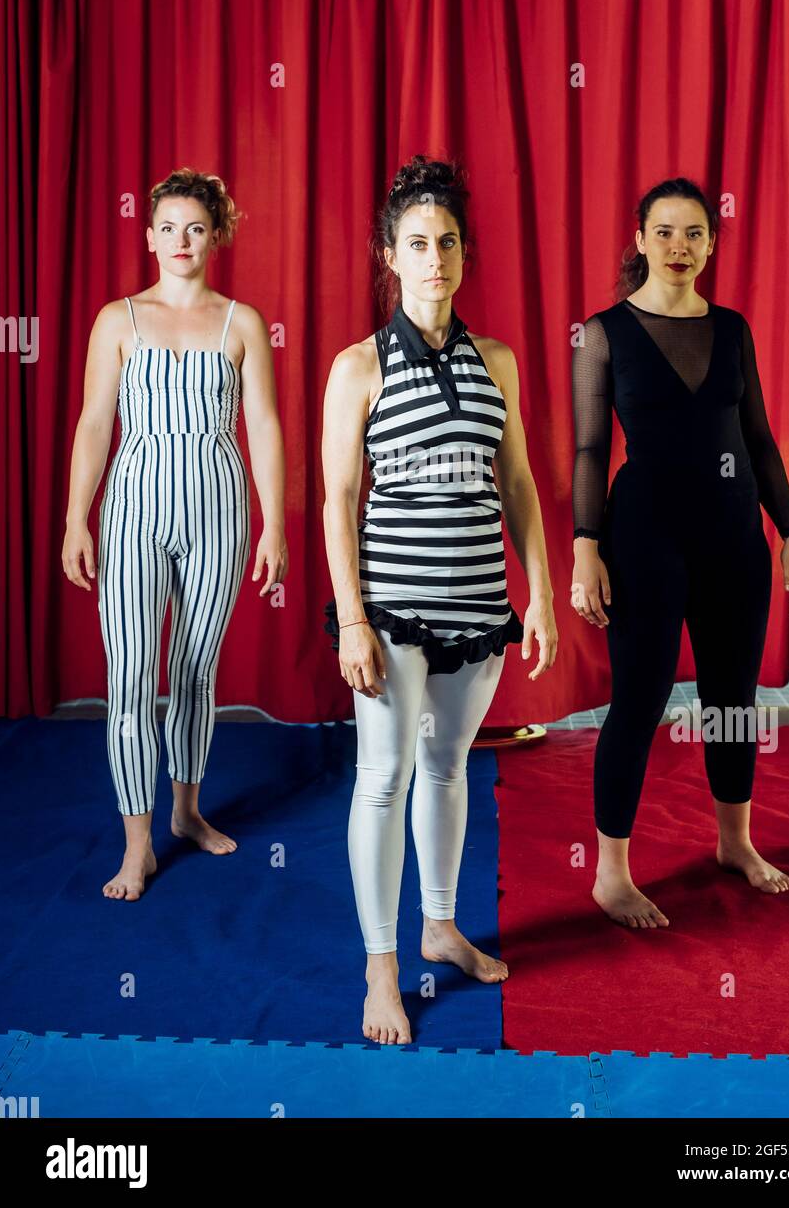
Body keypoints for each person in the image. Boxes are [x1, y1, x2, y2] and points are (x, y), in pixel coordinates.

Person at [322, 155, 557, 1045]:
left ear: (465, 254)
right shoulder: (357, 368)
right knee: (383, 778)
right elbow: (339, 502)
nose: (434, 259)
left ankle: (439, 923)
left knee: (451, 766)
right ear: (390, 254)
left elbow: (522, 481)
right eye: (416, 243)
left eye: (447, 243)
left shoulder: (496, 359)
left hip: (480, 605)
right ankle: (382, 966)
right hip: (391, 608)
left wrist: (535, 595)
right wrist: (351, 618)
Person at [571, 177, 789, 930]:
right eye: (665, 232)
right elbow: (586, 449)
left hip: (735, 538)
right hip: (643, 537)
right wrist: (584, 548)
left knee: (732, 703)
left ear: (711, 243)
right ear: (640, 239)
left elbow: (762, 440)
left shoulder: (733, 329)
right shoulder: (604, 331)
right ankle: (611, 874)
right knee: (639, 702)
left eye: (695, 233)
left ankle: (733, 843)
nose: (680, 246)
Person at [62, 168, 288, 901]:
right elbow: (96, 422)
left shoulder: (242, 322)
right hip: (132, 512)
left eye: (196, 227)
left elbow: (263, 426)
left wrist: (275, 523)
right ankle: (138, 845)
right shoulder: (117, 319)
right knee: (130, 679)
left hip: (220, 512)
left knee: (194, 672)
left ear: (216, 234)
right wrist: (76, 517)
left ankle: (186, 813)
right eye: (168, 227)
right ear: (149, 233)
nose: (181, 240)